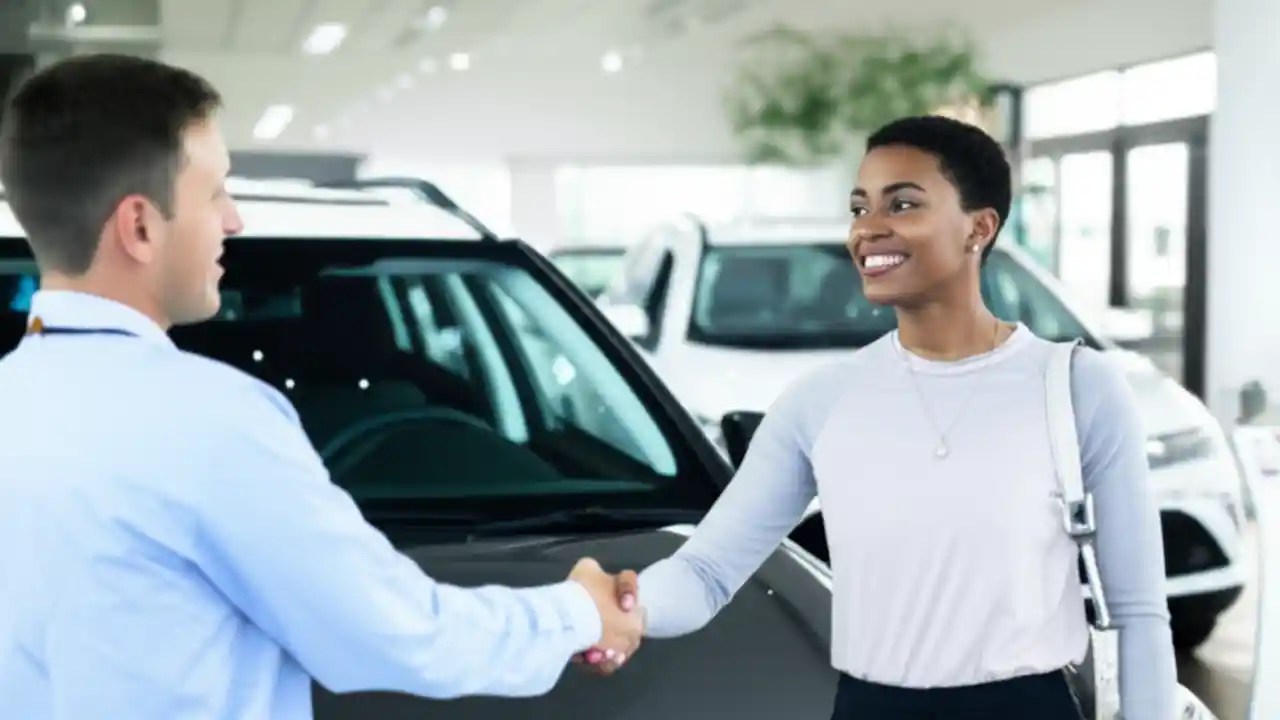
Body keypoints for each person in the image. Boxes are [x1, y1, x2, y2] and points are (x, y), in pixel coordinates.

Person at [0, 53, 641, 720]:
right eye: (215, 192)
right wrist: (577, 614)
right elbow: (395, 633)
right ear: (139, 226)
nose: (233, 221)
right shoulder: (209, 419)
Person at [580, 116, 1177, 718]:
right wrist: (619, 609)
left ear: (980, 226)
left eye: (904, 204)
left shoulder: (1077, 387)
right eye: (859, 208)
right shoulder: (822, 400)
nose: (869, 230)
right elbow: (707, 571)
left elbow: (1137, 608)